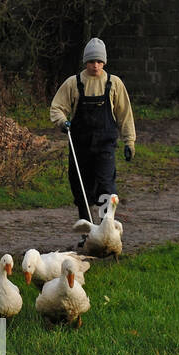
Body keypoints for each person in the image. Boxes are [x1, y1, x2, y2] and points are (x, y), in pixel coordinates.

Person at [49, 38, 136, 227]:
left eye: (98, 61)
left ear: (104, 62)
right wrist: (63, 122)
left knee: (106, 186)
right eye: (91, 61)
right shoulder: (74, 83)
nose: (95, 66)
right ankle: (86, 229)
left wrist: (130, 141)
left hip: (105, 145)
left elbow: (125, 114)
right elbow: (57, 108)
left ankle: (106, 226)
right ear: (85, 62)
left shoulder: (114, 83)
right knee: (82, 189)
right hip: (80, 145)